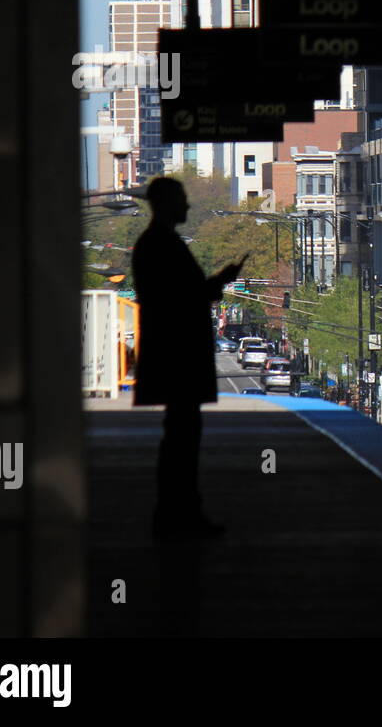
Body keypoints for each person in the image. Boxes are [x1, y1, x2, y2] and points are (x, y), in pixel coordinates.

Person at [132, 177, 244, 540]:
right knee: (181, 437)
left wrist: (214, 284)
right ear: (164, 203)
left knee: (181, 435)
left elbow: (182, 294)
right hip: (176, 354)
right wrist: (219, 282)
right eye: (182, 199)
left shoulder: (157, 244)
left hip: (173, 354)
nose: (188, 207)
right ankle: (177, 515)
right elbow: (182, 298)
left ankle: (178, 512)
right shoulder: (160, 245)